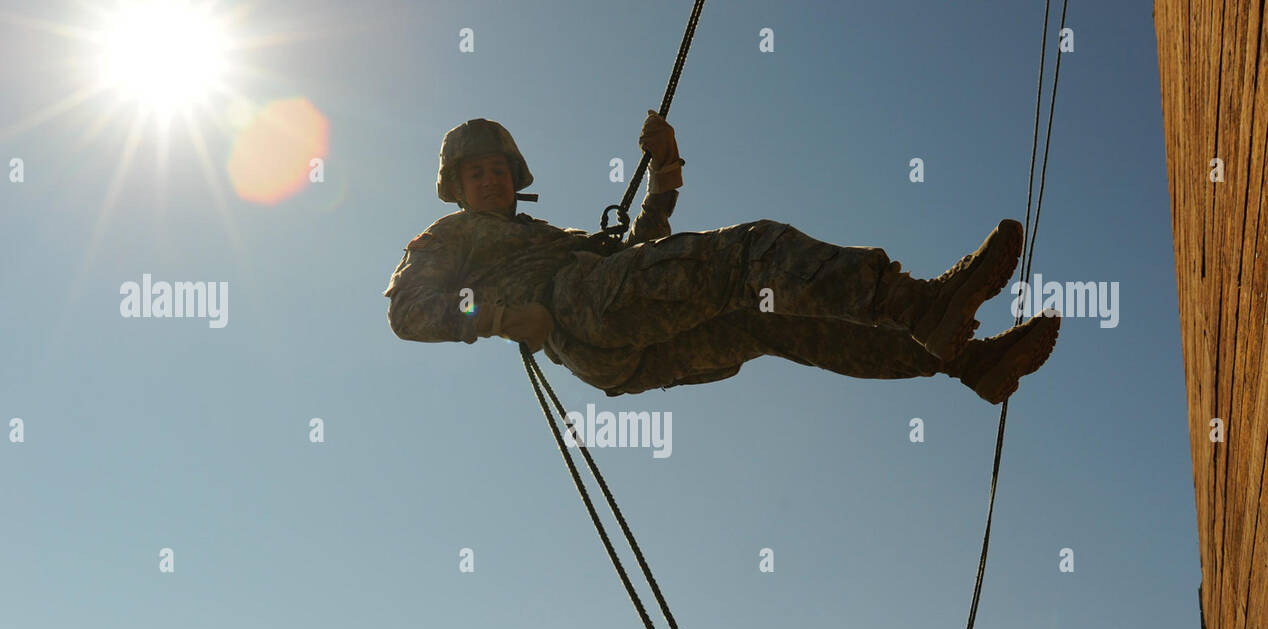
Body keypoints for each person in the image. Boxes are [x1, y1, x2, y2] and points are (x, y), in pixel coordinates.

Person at [384, 115, 1059, 403]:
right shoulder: (449, 239)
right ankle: (921, 305)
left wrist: (665, 176)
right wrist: (500, 313)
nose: (490, 180)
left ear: (515, 174)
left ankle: (968, 362)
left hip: (623, 351)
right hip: (576, 316)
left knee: (773, 320)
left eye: (498, 170)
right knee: (746, 253)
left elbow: (642, 263)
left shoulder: (548, 237)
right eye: (477, 174)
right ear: (457, 186)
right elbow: (411, 311)